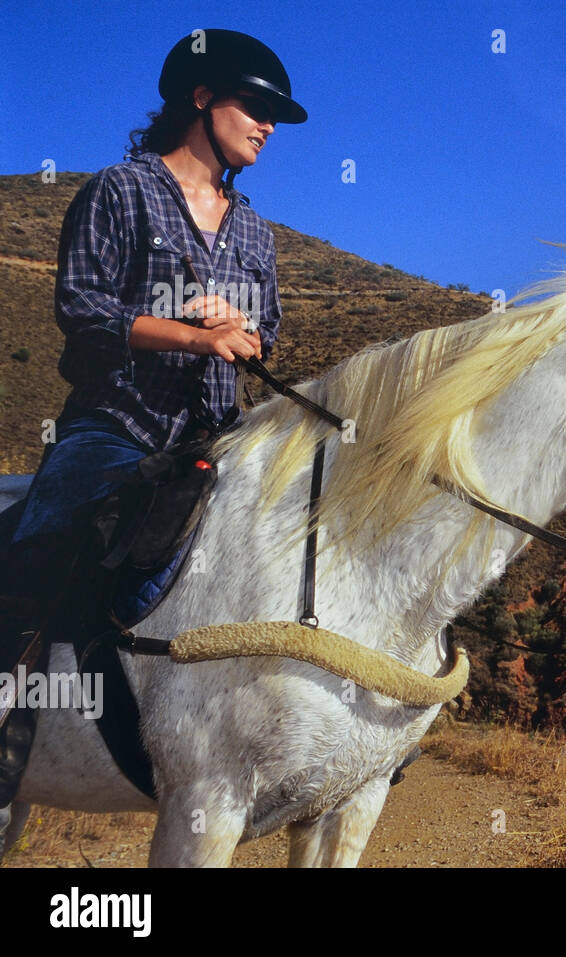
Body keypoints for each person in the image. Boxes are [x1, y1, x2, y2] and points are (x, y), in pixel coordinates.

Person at [0, 29, 306, 833]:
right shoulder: (119, 191)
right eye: (257, 106)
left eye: (277, 115)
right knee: (40, 543)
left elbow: (267, 326)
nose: (269, 125)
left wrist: (243, 329)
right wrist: (191, 332)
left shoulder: (254, 230)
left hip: (218, 437)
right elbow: (84, 314)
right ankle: (8, 718)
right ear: (200, 99)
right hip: (118, 425)